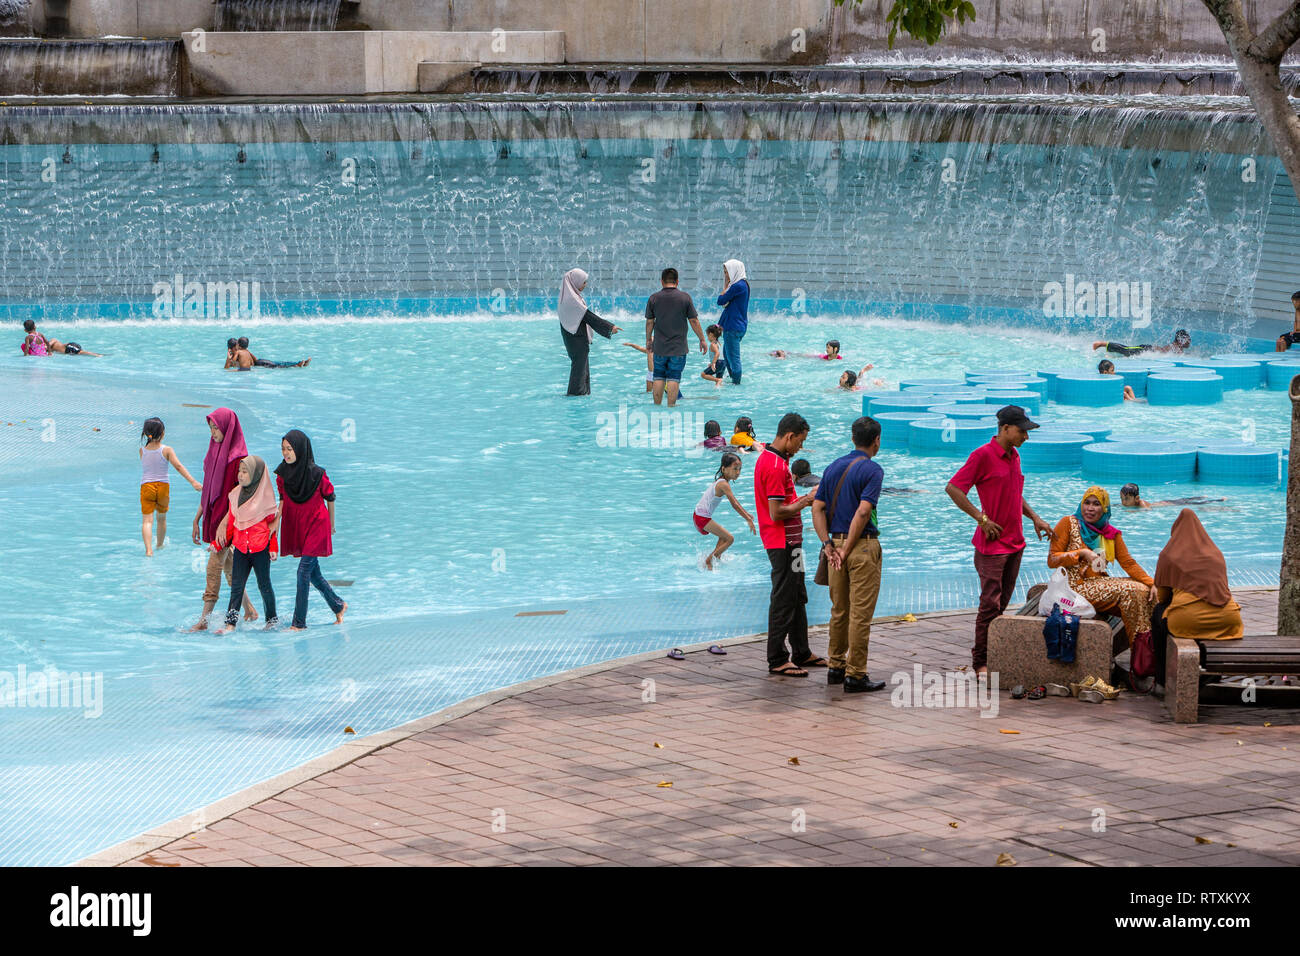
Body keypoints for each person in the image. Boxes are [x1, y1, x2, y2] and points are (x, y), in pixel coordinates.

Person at [945, 406, 1055, 677]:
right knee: (989, 605)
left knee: (1002, 602)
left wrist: (1034, 518)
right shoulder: (982, 455)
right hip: (992, 546)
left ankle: (994, 654)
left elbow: (1014, 493)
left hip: (1015, 542)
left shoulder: (1014, 455)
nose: (1026, 438)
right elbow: (954, 488)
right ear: (1005, 429)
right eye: (1022, 431)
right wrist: (981, 518)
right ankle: (980, 661)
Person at [813, 416, 887, 693]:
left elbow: (817, 508)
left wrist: (828, 545)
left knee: (839, 610)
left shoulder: (833, 467)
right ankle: (855, 674)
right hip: (861, 546)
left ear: (853, 437)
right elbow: (864, 511)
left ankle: (835, 666)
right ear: (876, 440)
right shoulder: (873, 470)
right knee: (860, 614)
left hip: (834, 547)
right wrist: (847, 547)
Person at [755, 412, 826, 676]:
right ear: (789, 436)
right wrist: (807, 500)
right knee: (783, 597)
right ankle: (777, 658)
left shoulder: (777, 461)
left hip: (792, 541)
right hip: (781, 541)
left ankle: (802, 651)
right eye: (800, 441)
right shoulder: (774, 466)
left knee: (797, 595)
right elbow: (776, 512)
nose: (800, 448)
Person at [1048, 487, 1156, 652]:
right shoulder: (1068, 523)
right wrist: (1081, 553)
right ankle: (1141, 655)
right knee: (1132, 590)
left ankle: (1144, 653)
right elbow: (1052, 559)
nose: (1090, 508)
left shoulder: (1110, 533)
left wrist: (1152, 583)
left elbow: (1128, 563)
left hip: (1097, 584)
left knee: (1147, 592)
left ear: (1105, 508)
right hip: (1072, 588)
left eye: (1096, 504)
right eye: (1087, 503)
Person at [1149, 509, 1244, 690]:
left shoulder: (1169, 555)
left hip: (1187, 622)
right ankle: (1211, 678)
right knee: (1203, 619)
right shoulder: (1216, 554)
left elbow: (1162, 598)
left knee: (1158, 615)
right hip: (1227, 620)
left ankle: (1161, 681)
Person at [191, 408, 257, 630]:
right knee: (229, 567)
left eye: (216, 427)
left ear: (228, 428)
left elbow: (241, 496)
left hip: (228, 523)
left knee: (213, 567)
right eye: (210, 427)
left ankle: (203, 620)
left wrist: (224, 522)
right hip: (212, 518)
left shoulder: (239, 459)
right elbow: (208, 488)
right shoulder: (212, 452)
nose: (212, 432)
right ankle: (250, 610)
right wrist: (197, 518)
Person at [274, 429, 347, 629]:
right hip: (299, 526)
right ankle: (338, 605)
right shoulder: (282, 475)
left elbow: (330, 497)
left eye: (289, 449)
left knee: (303, 572)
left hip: (317, 524)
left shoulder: (317, 474)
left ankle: (299, 623)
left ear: (300, 449)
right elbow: (282, 500)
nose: (286, 453)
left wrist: (331, 524)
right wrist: (275, 522)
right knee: (313, 574)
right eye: (283, 449)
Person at [213, 455, 279, 633]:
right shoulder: (235, 495)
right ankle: (230, 624)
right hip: (241, 548)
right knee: (236, 586)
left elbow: (272, 527)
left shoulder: (265, 498)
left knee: (264, 586)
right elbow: (232, 524)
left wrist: (273, 548)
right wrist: (218, 544)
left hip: (260, 547)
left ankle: (271, 620)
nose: (240, 475)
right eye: (239, 472)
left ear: (256, 475)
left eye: (245, 472)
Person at [138, 417, 202, 557]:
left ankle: (148, 550)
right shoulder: (166, 450)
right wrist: (193, 482)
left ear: (145, 434)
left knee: (147, 521)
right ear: (163, 433)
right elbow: (178, 467)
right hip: (163, 487)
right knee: (161, 519)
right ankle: (159, 545)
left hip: (146, 487)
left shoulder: (142, 451)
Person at [645, 267, 705, 406]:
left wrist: (648, 339)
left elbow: (649, 322)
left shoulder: (654, 298)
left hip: (659, 347)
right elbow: (694, 321)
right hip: (678, 348)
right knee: (674, 377)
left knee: (658, 376)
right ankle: (671, 407)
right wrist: (702, 339)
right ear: (677, 281)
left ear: (662, 282)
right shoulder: (685, 297)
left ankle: (657, 407)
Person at [559, 268, 622, 396]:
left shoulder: (568, 297)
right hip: (576, 339)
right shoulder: (573, 300)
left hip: (573, 338)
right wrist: (610, 328)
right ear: (575, 282)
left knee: (581, 367)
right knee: (579, 367)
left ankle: (582, 392)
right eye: (583, 282)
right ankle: (576, 394)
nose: (585, 285)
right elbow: (589, 317)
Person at [693, 452, 757, 570]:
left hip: (698, 515)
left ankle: (716, 558)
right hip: (702, 517)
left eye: (739, 469)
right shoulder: (723, 484)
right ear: (724, 469)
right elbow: (735, 504)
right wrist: (747, 518)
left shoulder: (721, 481)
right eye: (735, 469)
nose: (738, 472)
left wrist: (747, 514)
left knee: (723, 537)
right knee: (730, 538)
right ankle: (709, 560)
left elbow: (736, 502)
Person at [717, 258, 749, 384]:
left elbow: (720, 301)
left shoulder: (737, 286)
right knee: (726, 354)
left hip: (732, 326)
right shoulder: (744, 284)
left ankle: (736, 383)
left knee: (733, 358)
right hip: (738, 325)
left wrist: (725, 286)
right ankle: (732, 379)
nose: (726, 275)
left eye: (727, 272)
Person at [20, 319, 100, 356]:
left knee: (82, 352)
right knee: (81, 352)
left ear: (26, 330)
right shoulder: (40, 335)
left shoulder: (51, 342)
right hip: (69, 347)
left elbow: (48, 343)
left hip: (69, 347)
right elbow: (45, 344)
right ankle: (97, 354)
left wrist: (48, 350)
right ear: (35, 326)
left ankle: (97, 355)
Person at [1118, 483, 1226, 509]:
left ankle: (1218, 500)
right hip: (1165, 501)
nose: (1124, 502)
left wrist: (1134, 512)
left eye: (1126, 499)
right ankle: (1201, 496)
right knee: (1185, 500)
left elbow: (1147, 510)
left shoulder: (1141, 503)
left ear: (1136, 498)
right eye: (1122, 499)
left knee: (1191, 503)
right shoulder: (1129, 504)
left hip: (1169, 504)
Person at [1092, 329, 1191, 356]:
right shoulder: (1176, 348)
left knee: (1127, 353)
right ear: (1181, 339)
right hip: (1147, 349)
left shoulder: (1177, 348)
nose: (1189, 341)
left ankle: (1110, 354)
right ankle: (1102, 344)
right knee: (1126, 349)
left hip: (1149, 351)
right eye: (1188, 339)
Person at [237, 336, 310, 369]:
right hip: (261, 361)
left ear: (239, 345)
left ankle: (297, 365)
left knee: (279, 366)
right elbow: (255, 359)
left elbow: (253, 362)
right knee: (280, 363)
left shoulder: (241, 352)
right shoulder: (247, 351)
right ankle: (300, 363)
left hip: (261, 363)